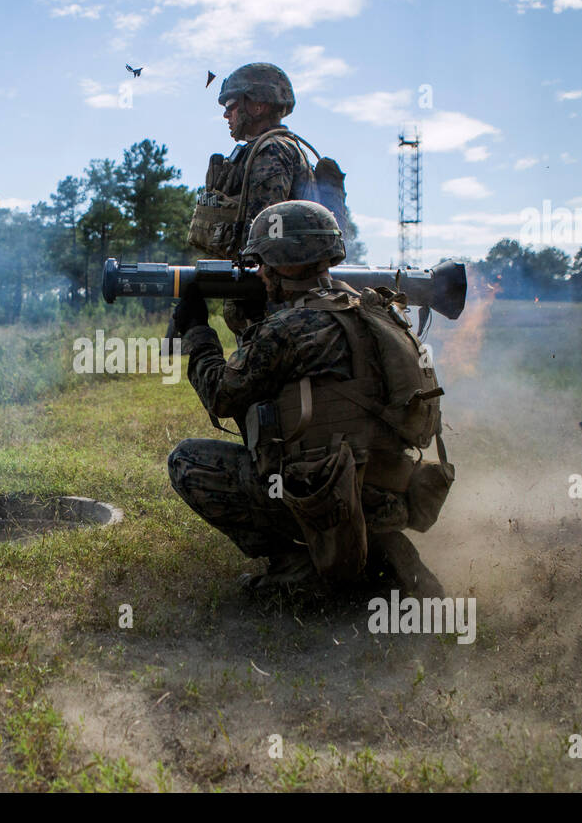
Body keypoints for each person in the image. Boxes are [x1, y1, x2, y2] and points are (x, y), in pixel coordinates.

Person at [168, 200, 446, 597]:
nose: (260, 272)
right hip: (390, 496)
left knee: (187, 462)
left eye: (263, 261)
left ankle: (302, 569)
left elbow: (221, 395)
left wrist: (197, 332)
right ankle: (376, 550)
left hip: (328, 498)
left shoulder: (291, 328)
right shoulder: (377, 310)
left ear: (282, 260)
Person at [187, 63, 318, 335]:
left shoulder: (271, 151)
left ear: (258, 106)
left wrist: (256, 283)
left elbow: (266, 234)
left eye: (232, 105)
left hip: (272, 308)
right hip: (275, 304)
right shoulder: (279, 148)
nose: (226, 114)